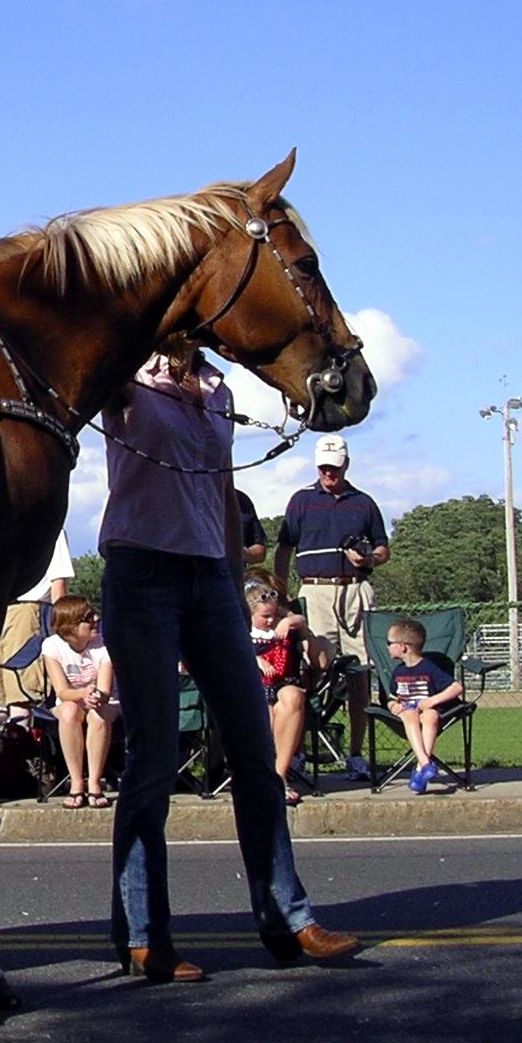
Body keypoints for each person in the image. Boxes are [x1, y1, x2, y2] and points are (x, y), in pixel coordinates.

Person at [100, 348, 358, 980]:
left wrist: (233, 581)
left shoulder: (218, 386)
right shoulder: (125, 372)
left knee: (254, 751)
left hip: (213, 578)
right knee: (154, 756)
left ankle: (288, 919)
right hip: (141, 569)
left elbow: (221, 489)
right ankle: (143, 936)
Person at [274, 434, 390, 781]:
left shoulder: (364, 503)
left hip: (355, 591)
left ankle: (355, 755)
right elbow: (283, 549)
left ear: (346, 464)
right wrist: (282, 597)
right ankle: (295, 753)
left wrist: (369, 556)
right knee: (309, 671)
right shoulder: (302, 500)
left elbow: (384, 549)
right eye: (324, 467)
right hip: (315, 592)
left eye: (334, 467)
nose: (329, 473)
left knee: (360, 675)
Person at [0, 528, 75, 717]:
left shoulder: (50, 529)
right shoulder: (1, 527)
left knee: (22, 688)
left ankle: (24, 740)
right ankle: (5, 740)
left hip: (28, 610)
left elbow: (58, 583)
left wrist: (61, 626)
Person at [39, 595, 120, 810]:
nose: (96, 618)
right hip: (71, 701)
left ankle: (94, 783)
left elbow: (104, 689)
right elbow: (63, 692)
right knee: (68, 711)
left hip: (105, 701)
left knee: (98, 714)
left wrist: (96, 695)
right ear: (70, 626)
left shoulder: (103, 645)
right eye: (88, 617)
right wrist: (84, 692)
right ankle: (76, 782)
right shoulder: (52, 646)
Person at [246, 582, 308, 807]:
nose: (270, 621)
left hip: (283, 682)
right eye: (264, 616)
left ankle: (279, 774)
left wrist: (289, 619)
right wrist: (256, 660)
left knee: (292, 697)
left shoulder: (282, 627)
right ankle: (264, 773)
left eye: (273, 615)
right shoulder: (242, 632)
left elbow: (302, 623)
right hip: (253, 685)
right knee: (267, 709)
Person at [384, 617, 462, 794]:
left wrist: (432, 701)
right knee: (410, 714)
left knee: (431, 715)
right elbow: (391, 698)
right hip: (407, 713)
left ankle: (422, 768)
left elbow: (457, 688)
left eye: (389, 642)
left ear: (403, 646)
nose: (387, 646)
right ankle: (425, 764)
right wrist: (392, 706)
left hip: (428, 712)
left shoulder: (429, 667)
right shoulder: (398, 672)